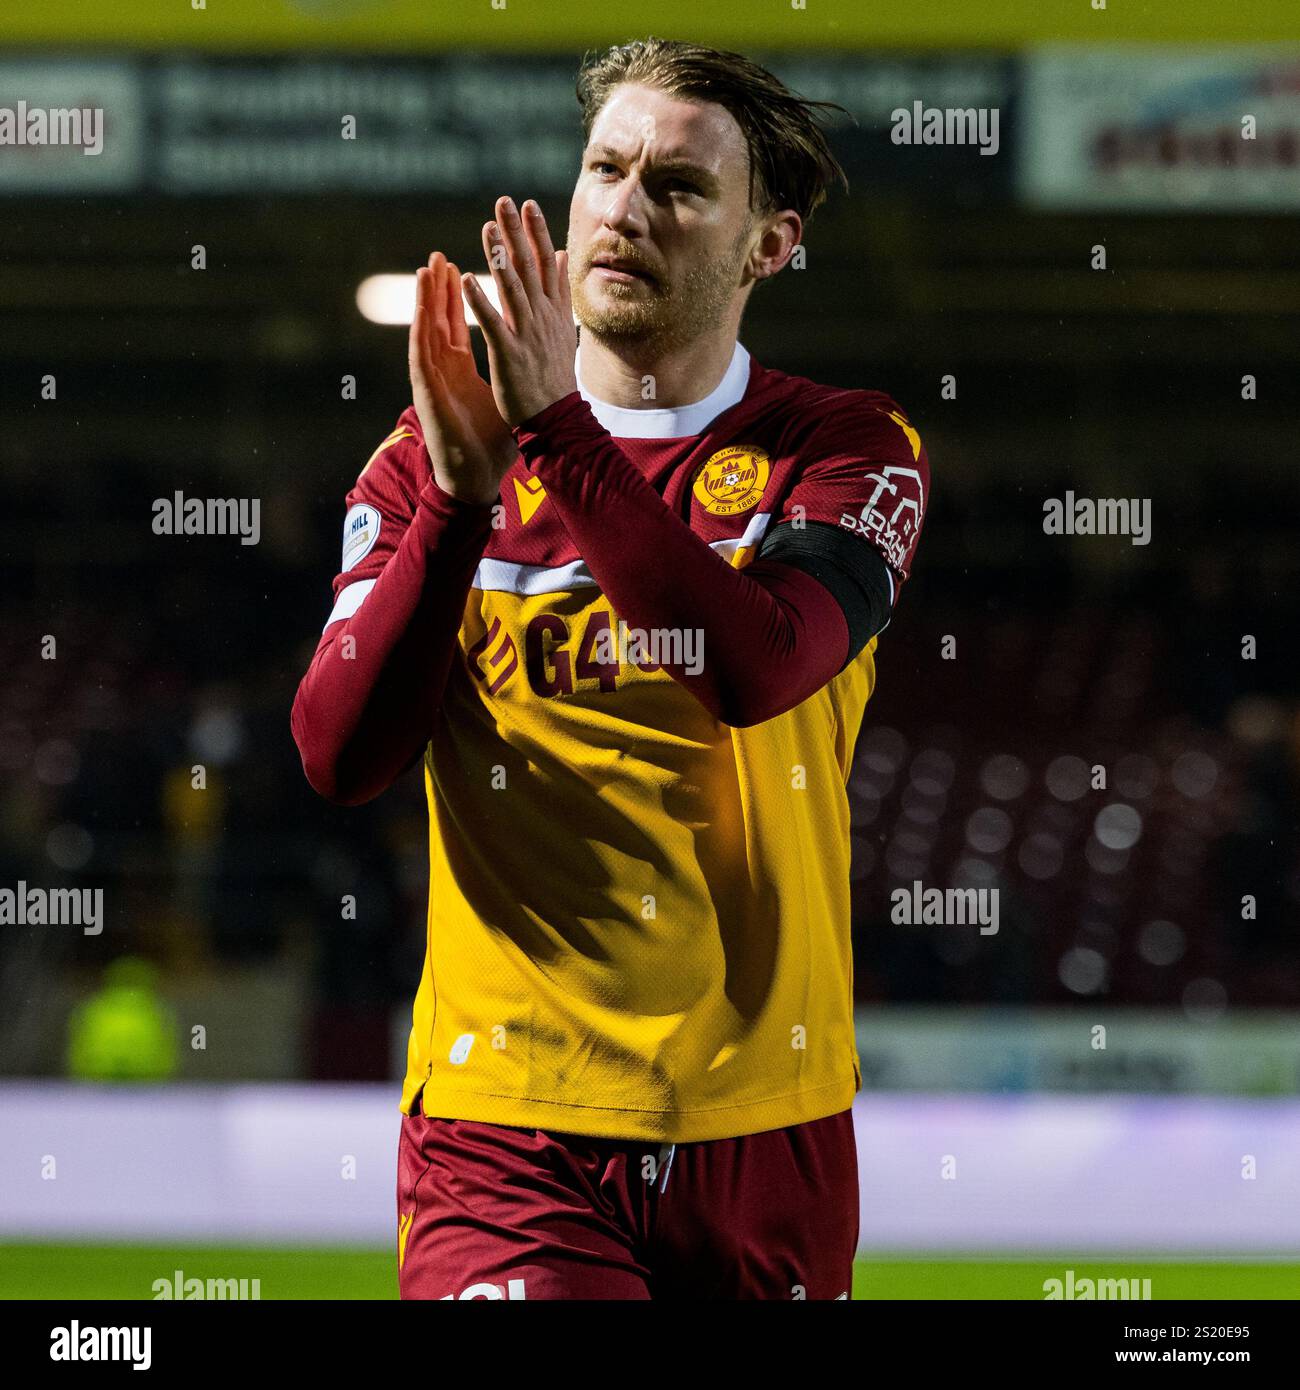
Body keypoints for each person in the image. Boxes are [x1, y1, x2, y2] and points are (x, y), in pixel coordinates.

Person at [292, 37, 929, 1300]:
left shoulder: (844, 446)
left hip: (768, 1119)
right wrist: (459, 509)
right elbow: (339, 754)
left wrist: (557, 438)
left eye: (681, 187)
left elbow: (752, 665)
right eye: (605, 169)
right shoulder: (432, 460)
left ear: (770, 245)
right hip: (506, 1119)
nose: (628, 208)